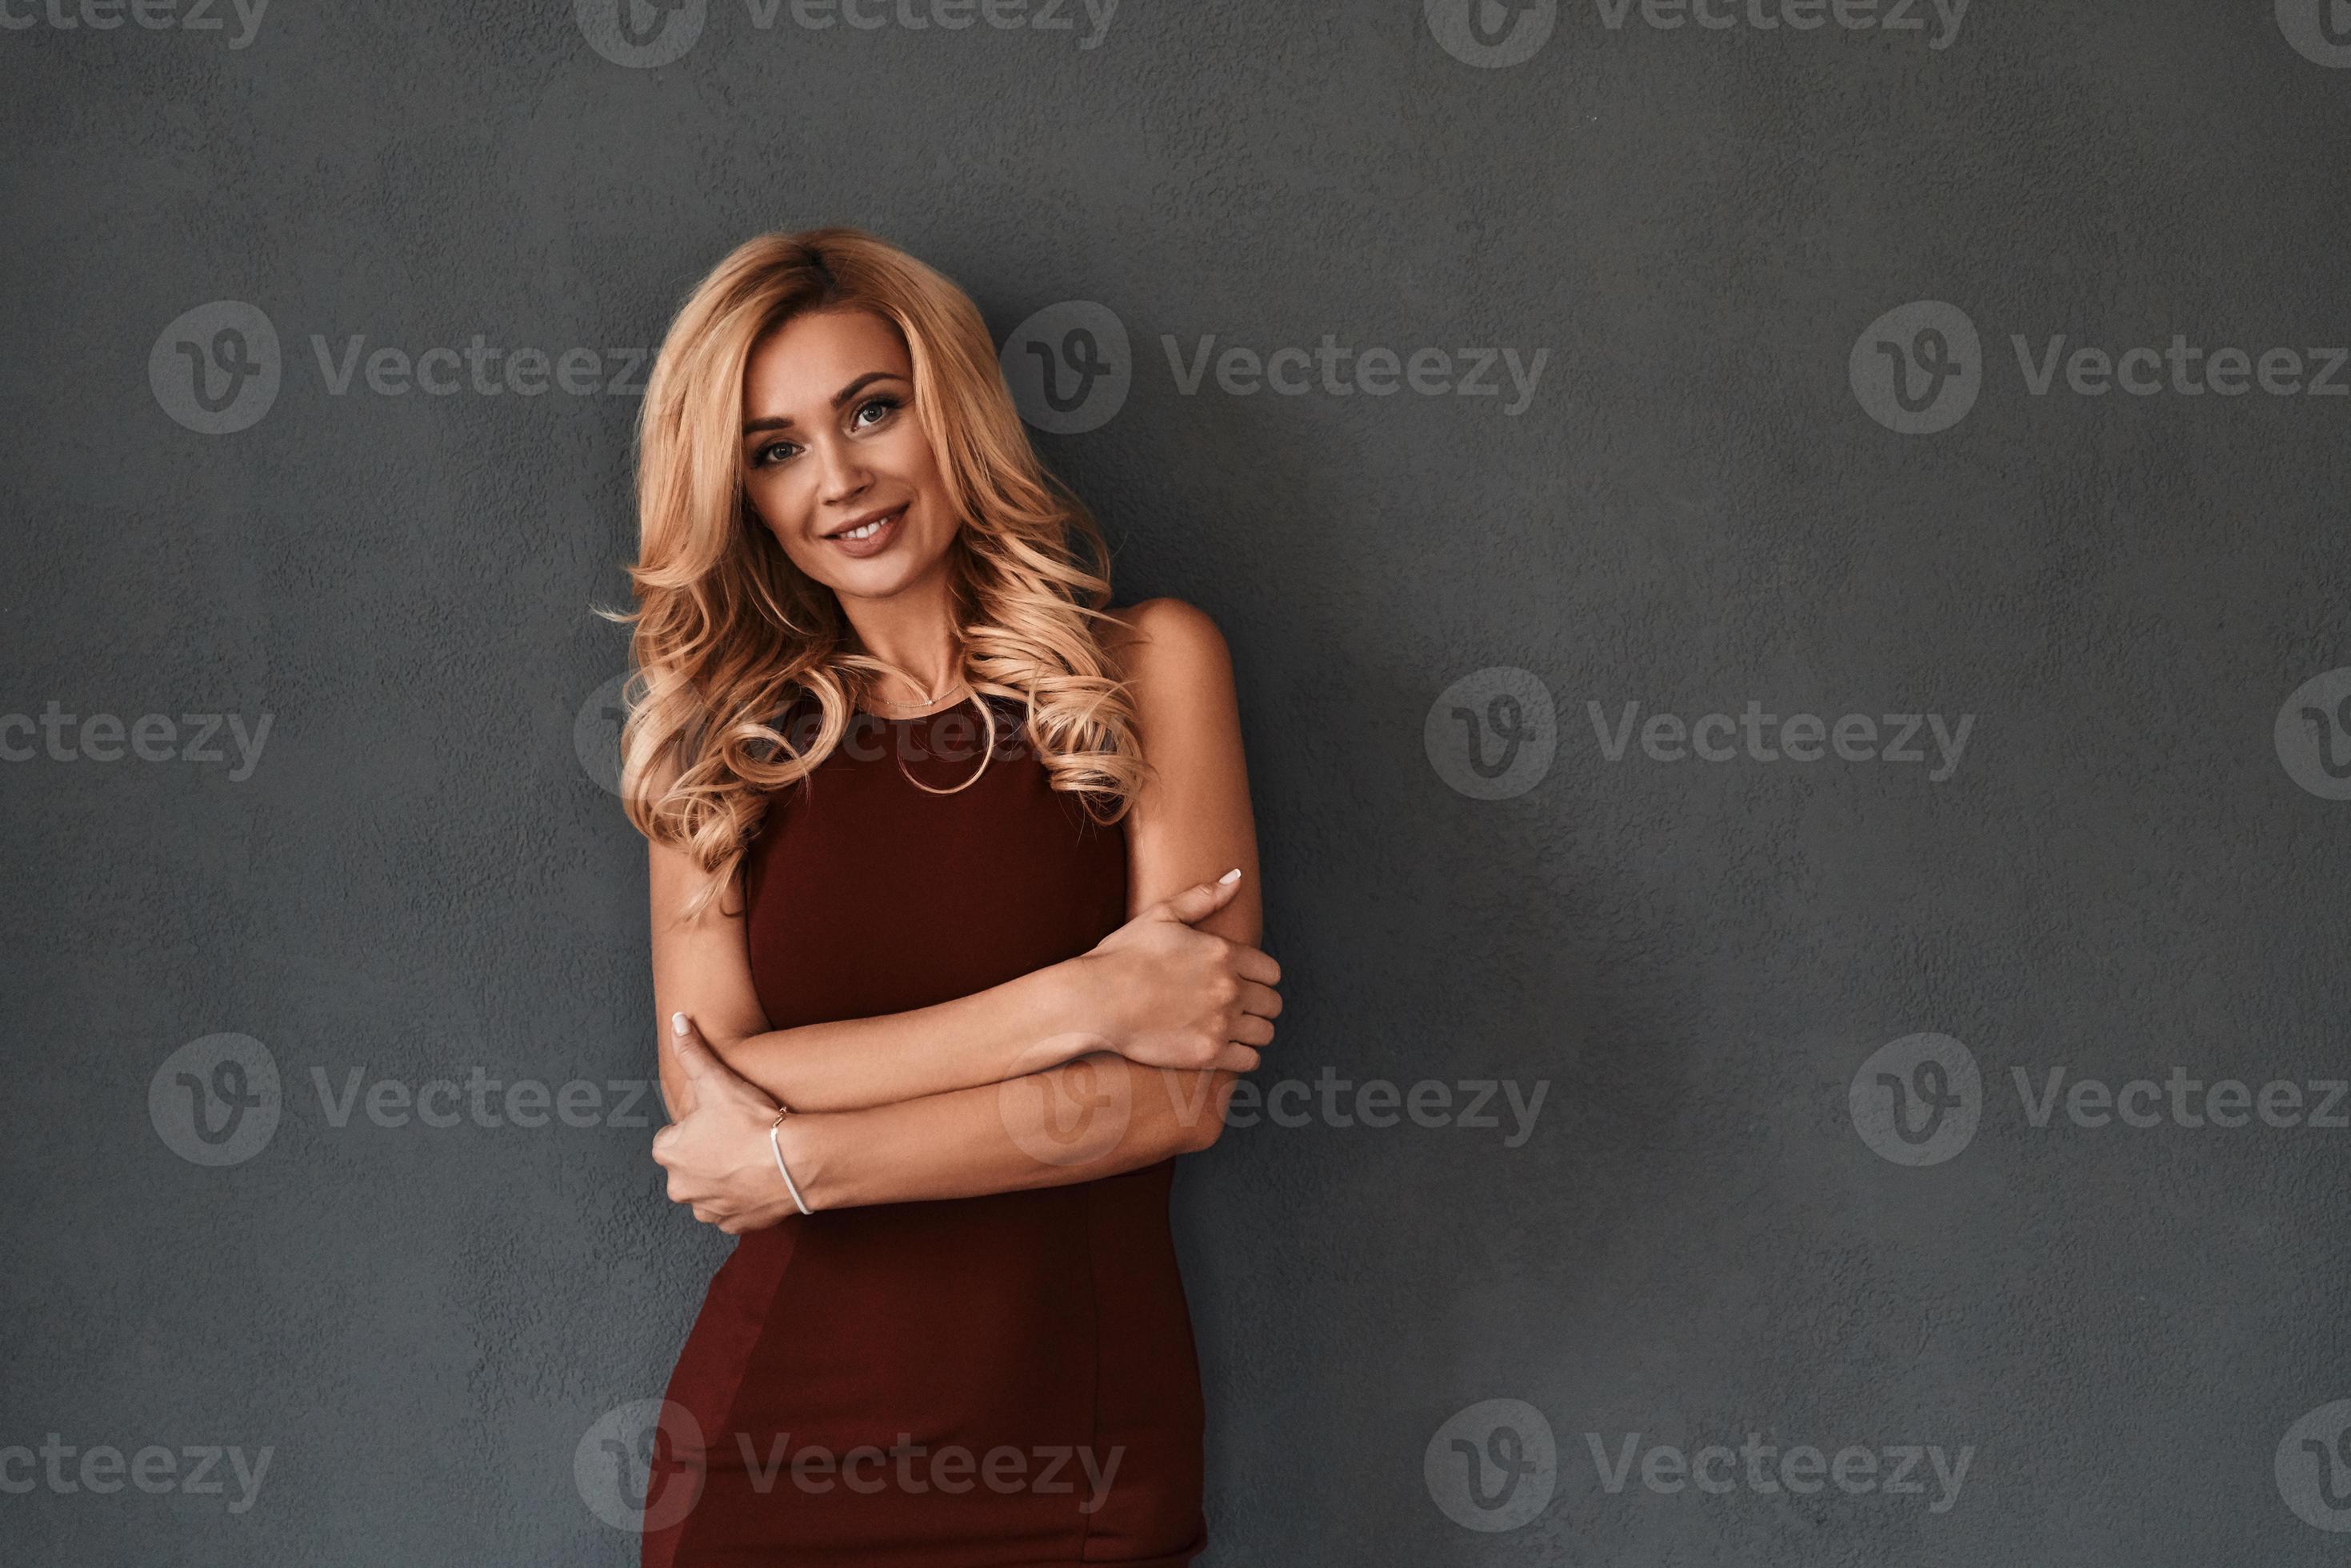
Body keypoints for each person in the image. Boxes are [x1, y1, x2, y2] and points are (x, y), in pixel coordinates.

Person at [616, 226, 1283, 1566]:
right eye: (776, 447)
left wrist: (801, 1158)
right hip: (775, 1450)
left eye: (873, 409)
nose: (841, 479)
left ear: (950, 409)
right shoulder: (717, 752)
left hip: (1080, 1446)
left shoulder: (1152, 667)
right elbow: (716, 1092)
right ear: (736, 489)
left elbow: (1172, 1095)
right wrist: (1080, 1000)